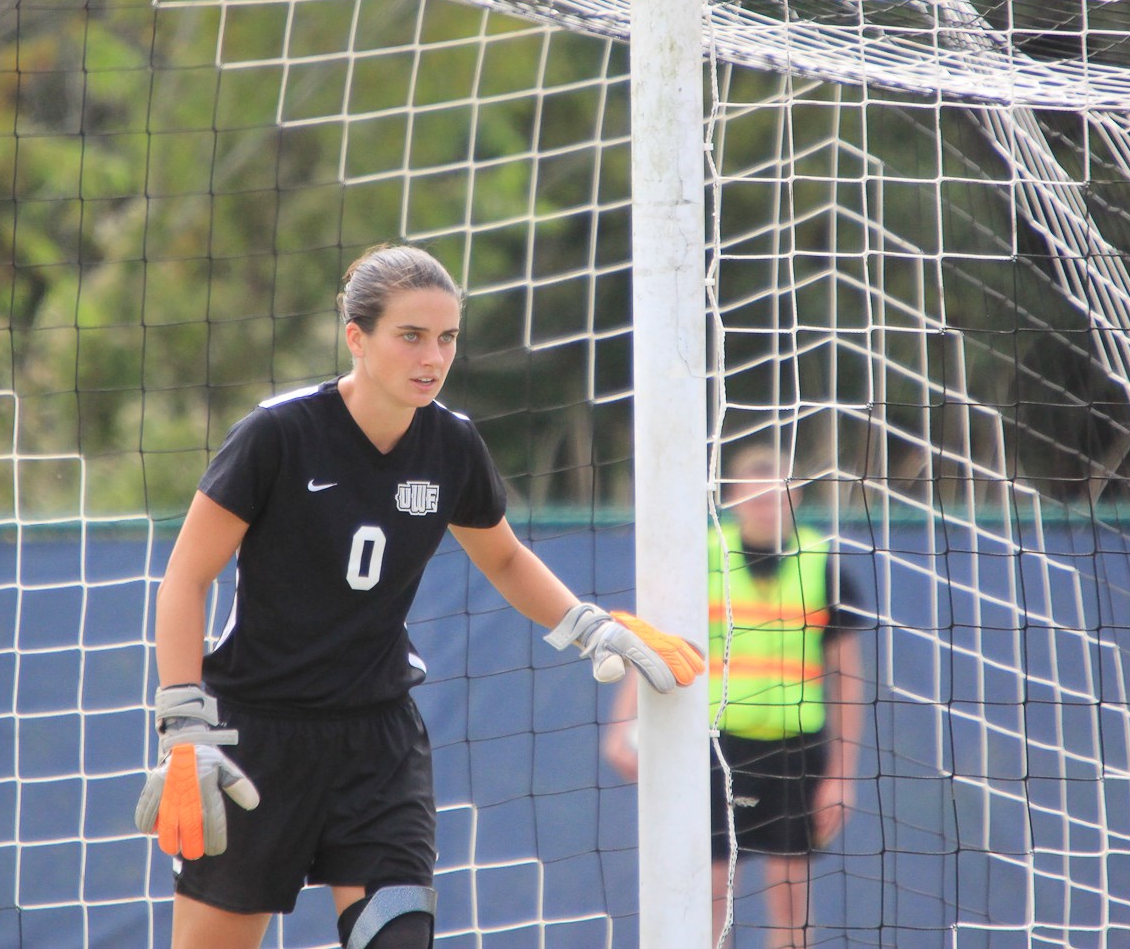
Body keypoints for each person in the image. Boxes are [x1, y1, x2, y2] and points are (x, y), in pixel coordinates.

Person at [132, 243, 707, 949]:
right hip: (255, 737)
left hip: (379, 743)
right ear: (357, 338)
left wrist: (591, 627)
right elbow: (186, 578)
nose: (433, 357)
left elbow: (503, 556)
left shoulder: (451, 445)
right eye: (411, 336)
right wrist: (183, 728)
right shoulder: (277, 434)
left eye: (447, 337)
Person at [605, 444, 866, 949]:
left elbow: (849, 680)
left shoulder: (823, 565)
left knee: (791, 901)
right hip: (714, 747)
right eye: (756, 496)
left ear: (795, 497)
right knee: (708, 896)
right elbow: (655, 644)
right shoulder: (699, 558)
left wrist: (841, 775)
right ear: (733, 498)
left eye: (778, 495)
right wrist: (621, 727)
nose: (767, 506)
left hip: (796, 749)